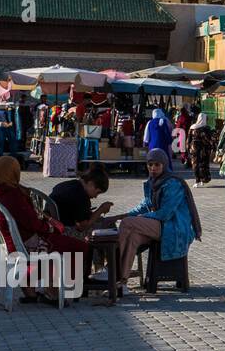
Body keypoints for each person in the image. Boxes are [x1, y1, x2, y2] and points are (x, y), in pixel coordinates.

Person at [0, 155, 92, 303]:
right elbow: (33, 224)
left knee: (63, 242)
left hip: (14, 241)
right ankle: (55, 291)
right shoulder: (12, 195)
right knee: (79, 246)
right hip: (28, 242)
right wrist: (52, 228)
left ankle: (32, 291)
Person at [114, 149, 201, 297]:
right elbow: (143, 205)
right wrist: (121, 215)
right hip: (159, 224)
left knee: (128, 224)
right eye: (150, 165)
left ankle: (111, 270)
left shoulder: (173, 183)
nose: (153, 168)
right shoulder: (152, 183)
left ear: (164, 164)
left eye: (157, 165)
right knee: (133, 236)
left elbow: (165, 213)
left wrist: (140, 217)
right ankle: (122, 282)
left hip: (173, 226)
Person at [50, 165, 112, 238]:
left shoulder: (68, 184)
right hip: (64, 230)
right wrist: (101, 210)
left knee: (102, 221)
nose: (95, 196)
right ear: (91, 183)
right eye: (97, 192)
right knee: (109, 227)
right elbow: (83, 227)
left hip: (52, 223)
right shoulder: (81, 196)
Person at [188, 113, 215, 186]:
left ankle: (197, 180)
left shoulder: (193, 127)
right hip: (204, 149)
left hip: (194, 148)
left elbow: (189, 139)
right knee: (204, 164)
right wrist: (213, 147)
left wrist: (188, 148)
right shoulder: (206, 128)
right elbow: (210, 140)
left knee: (195, 164)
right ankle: (203, 179)